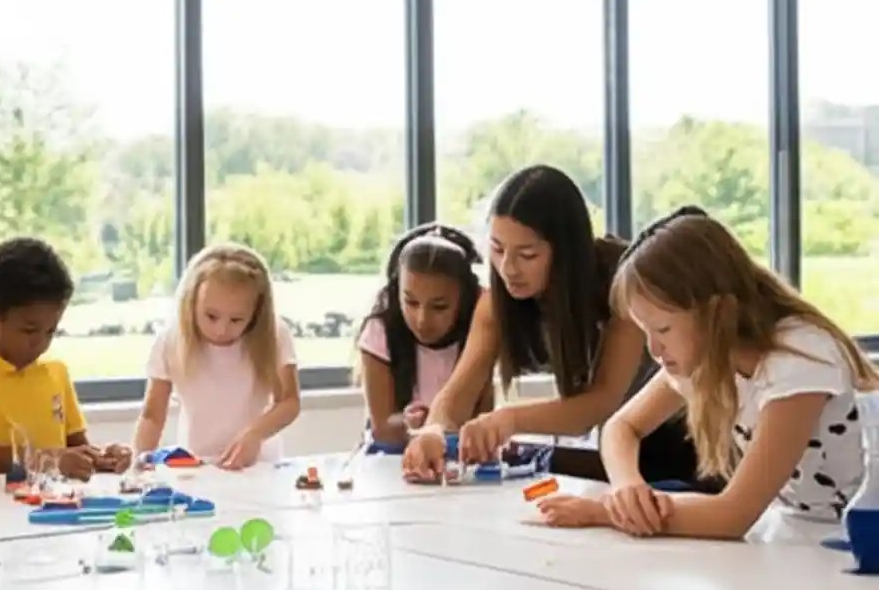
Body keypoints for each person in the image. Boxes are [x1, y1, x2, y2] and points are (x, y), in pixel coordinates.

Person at [536, 207, 875, 539]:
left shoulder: (798, 361)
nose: (654, 349)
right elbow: (621, 427)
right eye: (645, 331)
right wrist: (628, 489)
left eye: (663, 329)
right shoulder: (704, 357)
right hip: (803, 534)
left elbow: (733, 516)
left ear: (716, 314)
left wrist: (607, 513)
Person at [403, 165, 701, 486]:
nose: (508, 269)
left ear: (565, 252)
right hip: (617, 442)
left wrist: (507, 420)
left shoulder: (622, 284)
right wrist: (434, 431)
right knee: (533, 479)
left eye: (527, 255)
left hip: (683, 439)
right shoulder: (495, 304)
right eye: (498, 249)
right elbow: (457, 394)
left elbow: (601, 402)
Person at [0, 237, 133, 479]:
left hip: (55, 499)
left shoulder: (56, 372)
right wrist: (49, 460)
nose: (41, 343)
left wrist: (102, 457)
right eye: (29, 331)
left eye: (51, 331)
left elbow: (76, 446)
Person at [133, 243, 300, 469]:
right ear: (191, 301)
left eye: (236, 320)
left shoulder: (274, 335)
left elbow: (289, 402)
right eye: (211, 316)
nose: (221, 330)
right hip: (195, 467)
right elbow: (152, 416)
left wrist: (255, 434)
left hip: (260, 467)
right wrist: (139, 463)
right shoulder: (170, 340)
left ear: (256, 313)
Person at [356, 222, 489, 445]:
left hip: (458, 454)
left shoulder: (479, 329)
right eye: (410, 302)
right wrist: (410, 423)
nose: (422, 320)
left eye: (439, 307)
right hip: (390, 456)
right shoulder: (380, 332)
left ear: (464, 300)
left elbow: (483, 414)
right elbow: (381, 428)